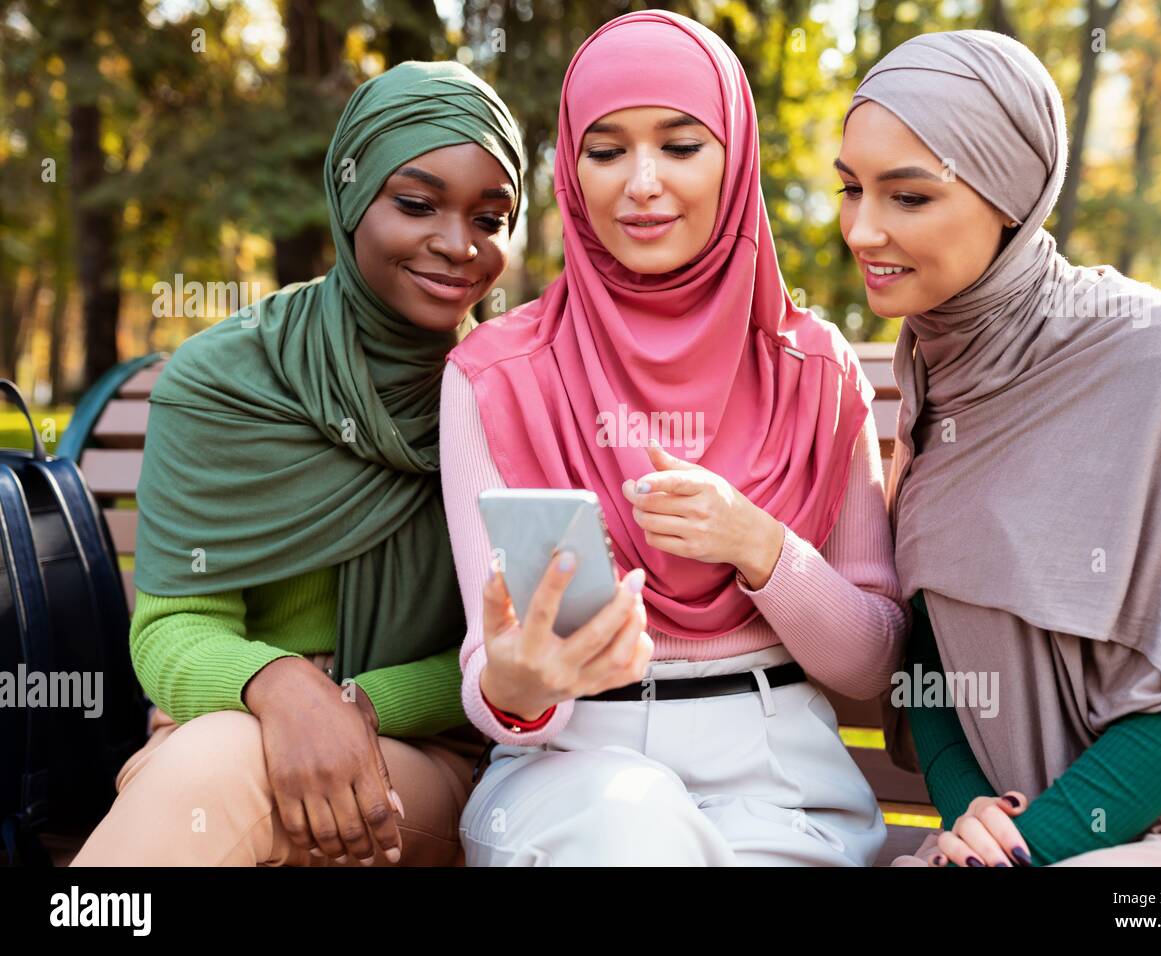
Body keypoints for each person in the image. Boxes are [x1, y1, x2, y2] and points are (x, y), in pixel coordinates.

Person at [442, 10, 907, 867]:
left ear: (735, 159)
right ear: (570, 170)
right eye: (607, 149)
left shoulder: (815, 369)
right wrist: (517, 685)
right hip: (571, 771)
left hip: (777, 782)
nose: (640, 184)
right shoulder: (494, 374)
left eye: (682, 146)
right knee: (632, 830)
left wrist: (759, 545)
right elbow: (490, 675)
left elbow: (872, 663)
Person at [834, 29, 1161, 866]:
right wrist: (974, 817)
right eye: (850, 190)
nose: (863, 231)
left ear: (1010, 194)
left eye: (907, 197)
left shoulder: (1159, 354)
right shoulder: (935, 372)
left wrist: (1025, 849)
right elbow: (931, 657)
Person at [71, 61, 525, 867]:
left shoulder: (501, 391)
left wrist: (348, 709)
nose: (459, 246)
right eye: (416, 204)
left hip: (421, 762)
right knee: (215, 763)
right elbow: (177, 628)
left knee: (215, 776)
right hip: (218, 724)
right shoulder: (224, 380)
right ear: (352, 198)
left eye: (490, 219)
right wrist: (280, 689)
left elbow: (502, 644)